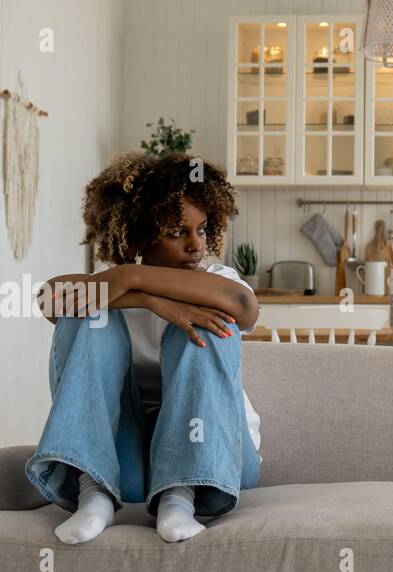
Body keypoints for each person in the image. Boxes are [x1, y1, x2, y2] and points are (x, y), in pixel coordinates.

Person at [27, 152, 262, 544]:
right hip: (131, 463)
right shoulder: (112, 282)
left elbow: (243, 306)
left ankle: (180, 496)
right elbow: (49, 298)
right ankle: (94, 492)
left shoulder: (217, 277)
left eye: (202, 230)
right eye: (176, 233)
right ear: (140, 234)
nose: (195, 246)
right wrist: (148, 299)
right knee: (88, 314)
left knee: (208, 314)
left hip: (218, 456)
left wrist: (132, 276)